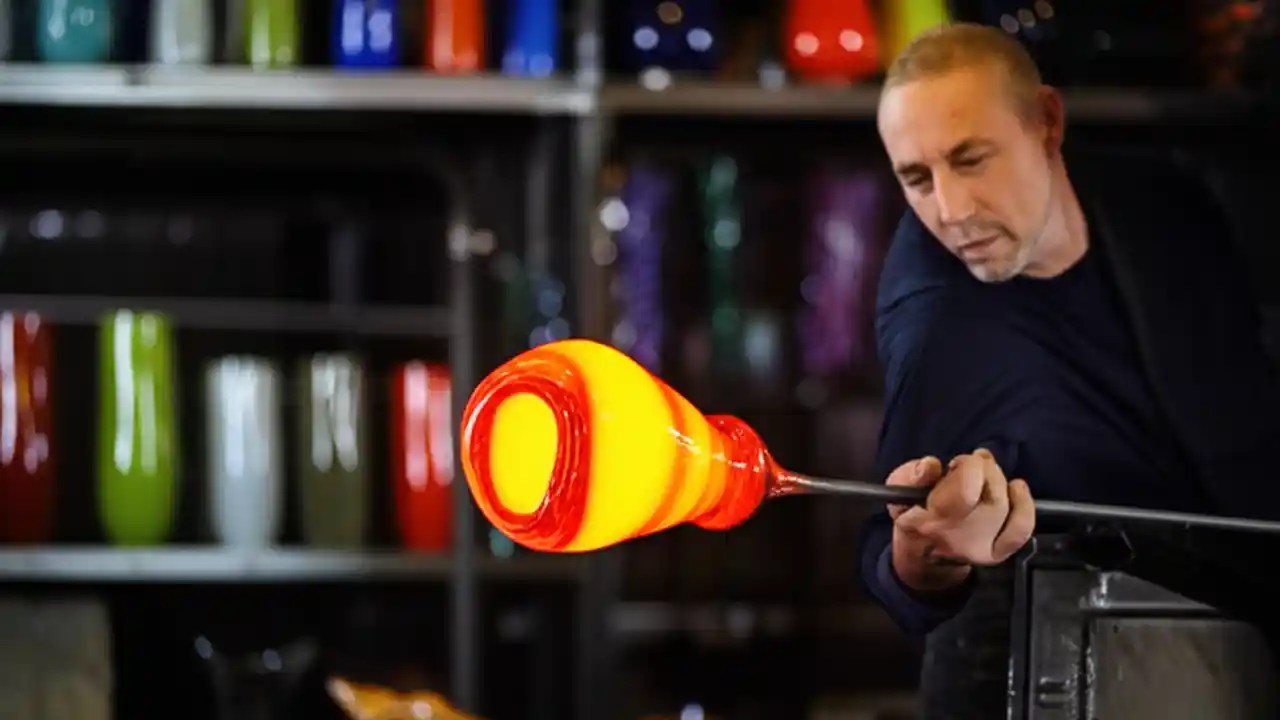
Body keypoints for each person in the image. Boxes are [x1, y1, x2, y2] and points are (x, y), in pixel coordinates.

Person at [856, 22, 1280, 717]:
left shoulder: (1166, 206)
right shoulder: (936, 320)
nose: (951, 211)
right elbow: (894, 558)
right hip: (1070, 657)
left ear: (1047, 123)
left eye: (971, 160)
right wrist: (927, 557)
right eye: (917, 179)